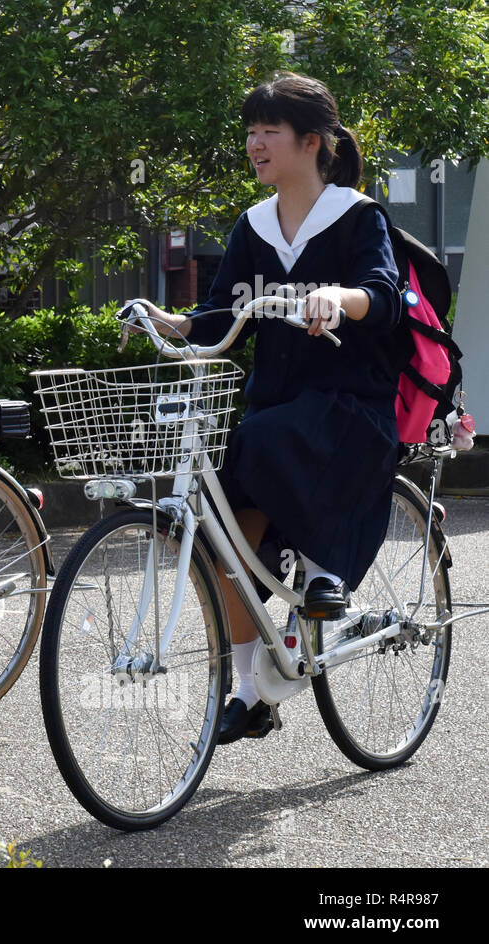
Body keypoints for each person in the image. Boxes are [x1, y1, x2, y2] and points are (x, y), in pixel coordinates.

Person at [133, 72, 402, 744]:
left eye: (268, 131)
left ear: (311, 142)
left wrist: (340, 299)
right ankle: (251, 691)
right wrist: (167, 320)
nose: (254, 143)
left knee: (274, 440)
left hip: (349, 410)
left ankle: (322, 571)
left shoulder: (358, 215)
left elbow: (386, 295)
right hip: (276, 411)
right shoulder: (253, 227)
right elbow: (220, 314)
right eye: (250, 131)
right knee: (223, 531)